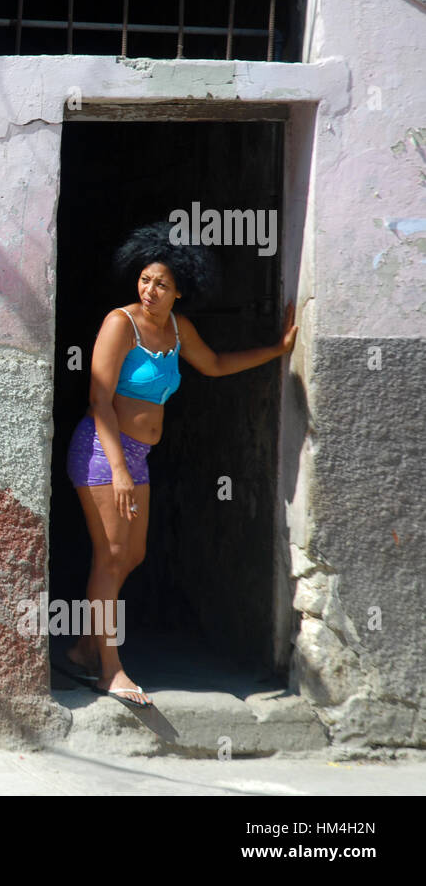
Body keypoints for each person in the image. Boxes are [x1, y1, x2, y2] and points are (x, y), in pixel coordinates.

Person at [61, 220, 298, 709]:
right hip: (102, 451)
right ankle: (110, 670)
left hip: (137, 456)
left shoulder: (176, 328)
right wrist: (119, 469)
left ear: (180, 292)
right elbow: (100, 400)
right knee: (110, 557)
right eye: (145, 279)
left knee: (131, 556)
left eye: (162, 284)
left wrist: (276, 351)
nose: (150, 290)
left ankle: (85, 645)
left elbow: (212, 365)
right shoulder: (119, 324)